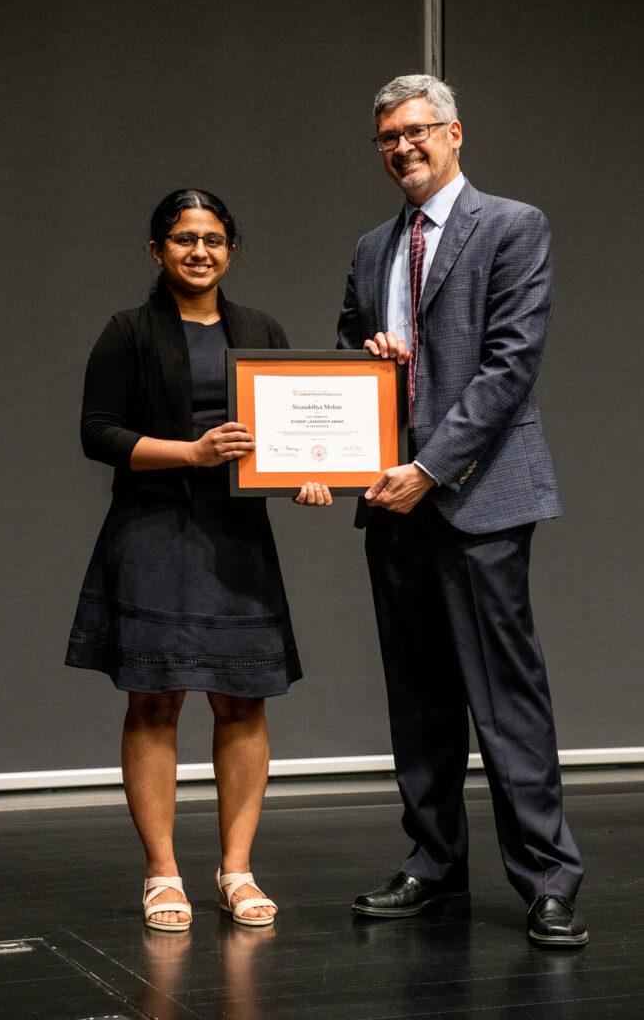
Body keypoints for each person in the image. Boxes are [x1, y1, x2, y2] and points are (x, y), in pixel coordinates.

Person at [337, 75, 587, 947]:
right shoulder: (373, 247)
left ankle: (549, 880)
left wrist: (431, 468)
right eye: (386, 138)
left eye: (414, 132)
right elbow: (345, 352)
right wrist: (364, 358)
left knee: (505, 694)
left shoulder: (512, 226)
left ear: (453, 134)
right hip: (391, 501)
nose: (400, 148)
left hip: (477, 495)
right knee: (419, 696)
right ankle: (434, 862)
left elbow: (511, 366)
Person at [66, 188, 331, 933]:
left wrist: (309, 476)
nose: (199, 251)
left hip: (237, 536)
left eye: (213, 239)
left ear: (231, 250)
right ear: (157, 252)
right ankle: (162, 873)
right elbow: (98, 433)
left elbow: (286, 431)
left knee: (243, 701)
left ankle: (237, 871)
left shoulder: (259, 328)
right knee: (153, 700)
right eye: (183, 239)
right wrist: (191, 451)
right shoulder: (128, 331)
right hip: (151, 530)